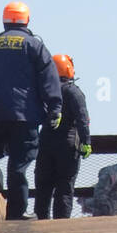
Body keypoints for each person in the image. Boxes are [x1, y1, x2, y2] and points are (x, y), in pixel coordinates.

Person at [0, 1, 63, 220]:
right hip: (25, 116)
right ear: (27, 20)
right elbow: (49, 80)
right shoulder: (34, 46)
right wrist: (54, 108)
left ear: (4, 21)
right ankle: (16, 212)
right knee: (19, 164)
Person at [34, 53, 91, 220]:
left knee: (43, 187)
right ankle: (61, 223)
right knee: (65, 188)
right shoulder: (74, 92)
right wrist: (86, 142)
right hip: (68, 145)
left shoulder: (44, 90)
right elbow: (82, 119)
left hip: (45, 143)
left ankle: (40, 221)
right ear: (69, 69)